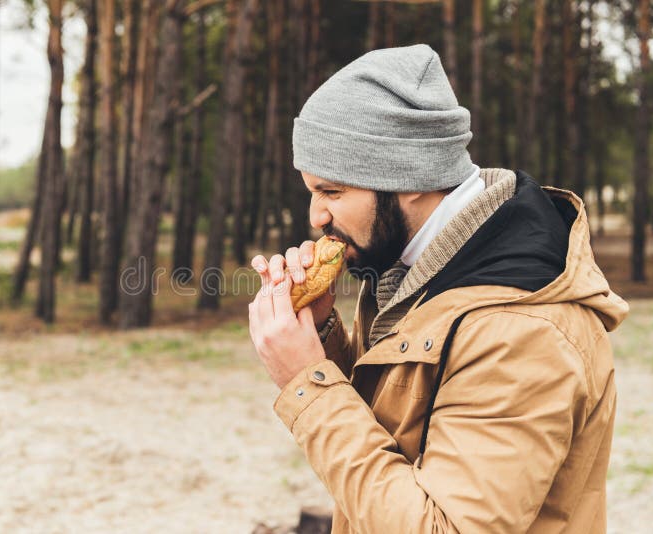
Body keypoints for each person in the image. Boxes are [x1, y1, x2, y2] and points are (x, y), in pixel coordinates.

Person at [247, 44, 629, 533]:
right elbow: (398, 442)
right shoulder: (418, 273)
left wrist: (306, 384)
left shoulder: (520, 330)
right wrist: (321, 335)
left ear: (409, 177)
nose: (316, 217)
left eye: (332, 191)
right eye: (313, 192)